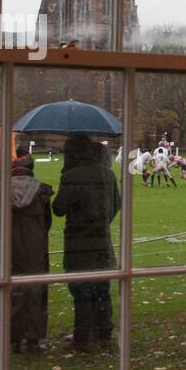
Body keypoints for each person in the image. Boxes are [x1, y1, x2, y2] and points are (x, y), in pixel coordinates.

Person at [52, 134, 119, 352]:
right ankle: (103, 330)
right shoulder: (107, 173)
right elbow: (116, 204)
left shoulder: (72, 175)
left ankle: (82, 337)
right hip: (102, 237)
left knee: (81, 288)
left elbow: (59, 208)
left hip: (79, 240)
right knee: (101, 286)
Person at [0, 157, 53, 353]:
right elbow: (47, 222)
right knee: (35, 289)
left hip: (10, 245)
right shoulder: (41, 192)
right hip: (35, 246)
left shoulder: (0, 194)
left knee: (11, 288)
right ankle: (33, 338)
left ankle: (12, 337)